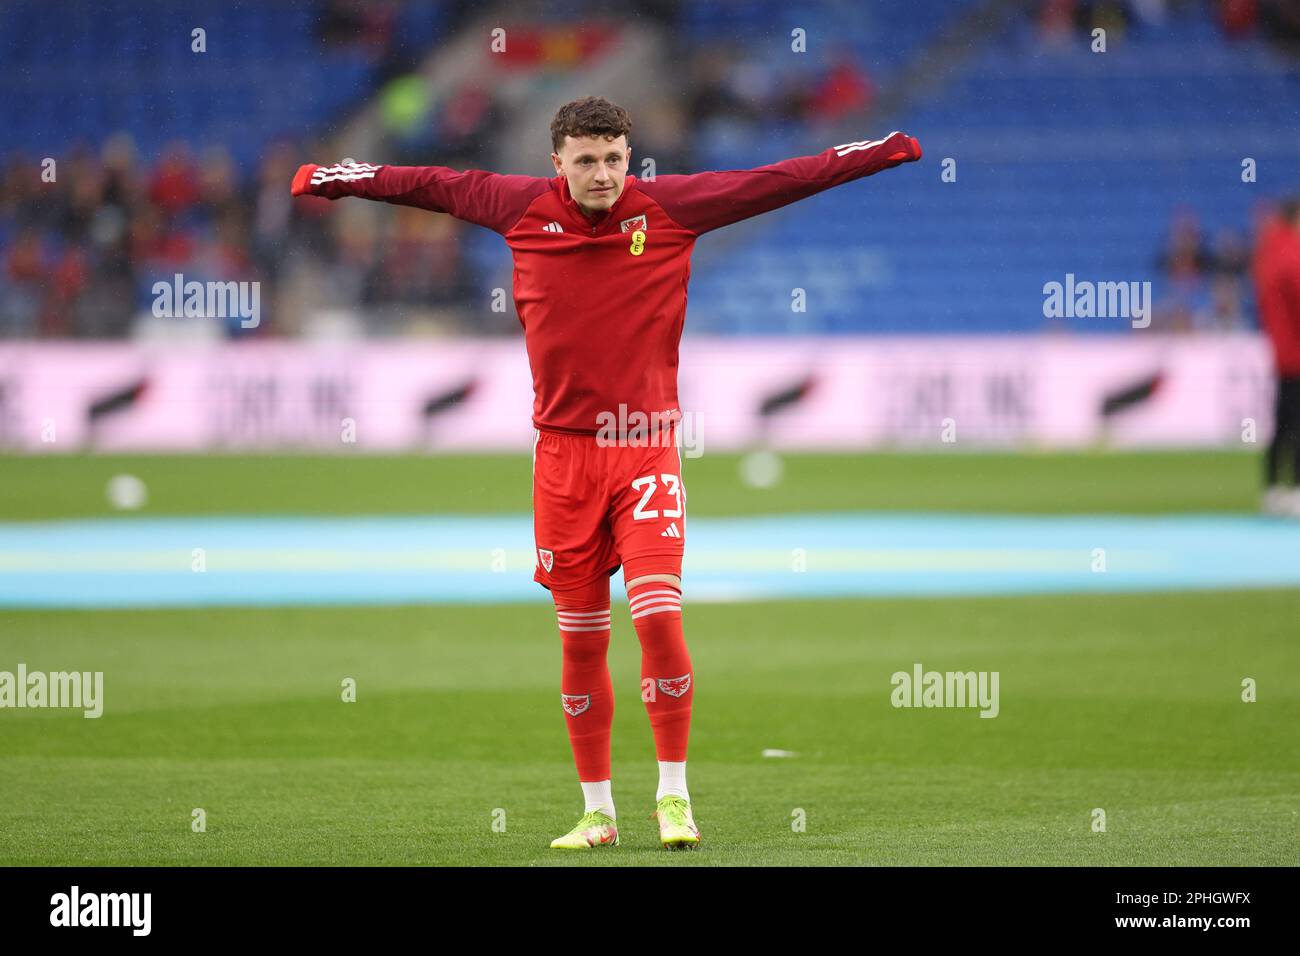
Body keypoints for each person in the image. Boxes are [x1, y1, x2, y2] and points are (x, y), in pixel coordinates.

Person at [291, 96, 922, 849]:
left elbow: (780, 179)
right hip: (561, 459)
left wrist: (877, 151)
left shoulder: (672, 209)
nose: (602, 173)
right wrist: (340, 178)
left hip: (646, 446)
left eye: (615, 158)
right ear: (556, 161)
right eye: (586, 160)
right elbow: (427, 183)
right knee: (581, 644)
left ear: (631, 157)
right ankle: (598, 812)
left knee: (658, 619)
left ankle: (675, 796)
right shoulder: (516, 206)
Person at [1251, 197, 1300, 516]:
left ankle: (1271, 488)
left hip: (1281, 352)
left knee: (1282, 423)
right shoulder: (1290, 253)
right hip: (1295, 352)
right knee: (1294, 423)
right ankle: (1295, 488)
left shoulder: (1268, 252)